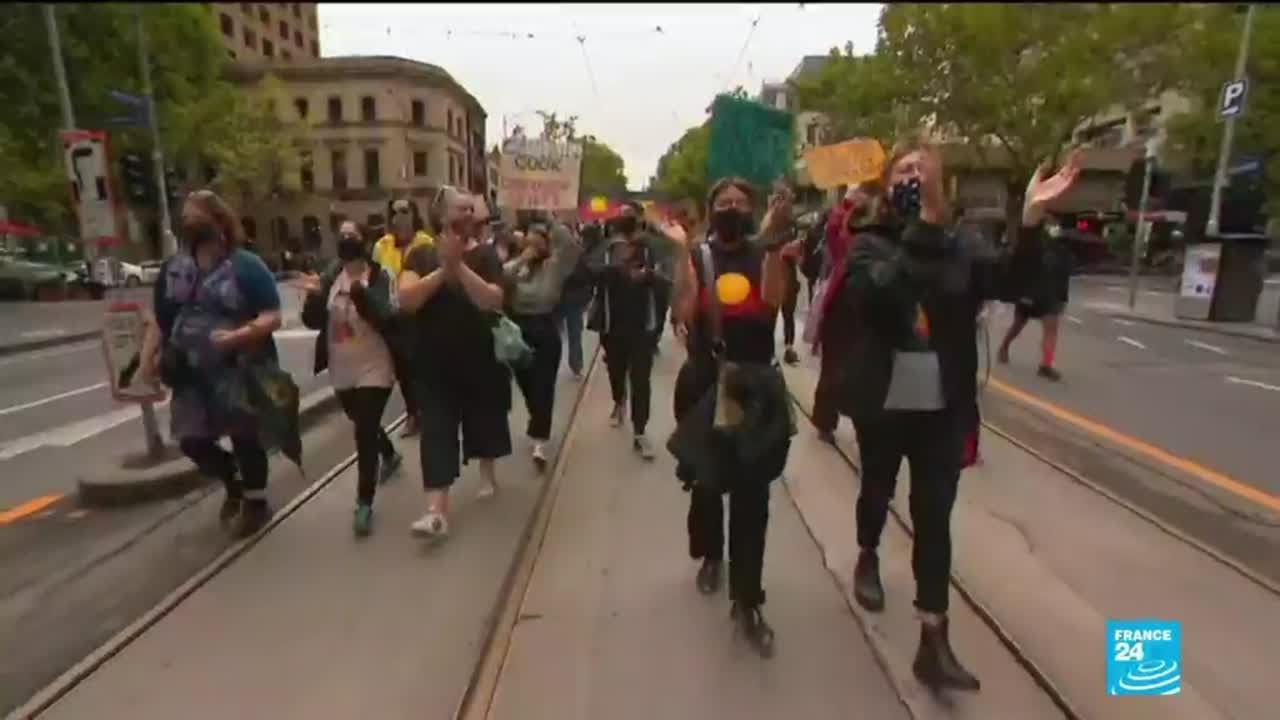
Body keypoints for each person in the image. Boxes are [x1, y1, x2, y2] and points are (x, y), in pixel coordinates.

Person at [840, 140, 1081, 691]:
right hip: (884, 395)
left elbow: (1015, 283)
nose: (915, 174)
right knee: (876, 486)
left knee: (934, 515)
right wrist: (917, 227)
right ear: (887, 183)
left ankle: (933, 637)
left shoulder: (963, 245)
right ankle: (868, 554)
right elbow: (877, 297)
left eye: (925, 168)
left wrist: (1030, 220)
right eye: (904, 168)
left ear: (942, 183)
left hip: (943, 404)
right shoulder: (871, 243)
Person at [667, 177, 795, 658]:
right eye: (724, 202)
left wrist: (774, 244)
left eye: (741, 202)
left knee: (751, 496)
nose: (732, 209)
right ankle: (710, 554)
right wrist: (681, 255)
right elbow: (681, 311)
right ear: (710, 209)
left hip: (754, 389)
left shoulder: (766, 252)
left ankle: (747, 599)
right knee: (704, 483)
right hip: (704, 384)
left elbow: (775, 303)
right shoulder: (697, 256)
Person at [139, 189, 286, 538]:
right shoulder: (175, 270)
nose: (189, 220)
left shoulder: (245, 265)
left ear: (218, 219)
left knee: (245, 436)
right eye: (185, 214)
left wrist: (239, 336)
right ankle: (231, 477)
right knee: (190, 438)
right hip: (189, 372)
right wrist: (148, 359)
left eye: (197, 214)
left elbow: (273, 315)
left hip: (238, 368)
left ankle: (255, 502)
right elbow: (161, 319)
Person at [397, 187, 510, 539]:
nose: (468, 213)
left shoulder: (487, 255)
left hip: (479, 360)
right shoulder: (419, 256)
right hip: (434, 365)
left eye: (470, 209)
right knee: (437, 433)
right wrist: (443, 270)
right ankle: (436, 511)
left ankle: (488, 473)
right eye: (460, 207)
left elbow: (493, 299)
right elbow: (407, 300)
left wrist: (458, 266)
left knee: (484, 422)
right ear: (441, 214)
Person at [300, 220, 403, 537]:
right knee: (361, 422)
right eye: (341, 235)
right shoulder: (331, 276)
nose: (346, 241)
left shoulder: (380, 276)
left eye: (352, 236)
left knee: (364, 431)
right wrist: (315, 298)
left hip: (375, 365)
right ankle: (389, 453)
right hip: (341, 367)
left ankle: (364, 503)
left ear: (363, 241)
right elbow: (313, 321)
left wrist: (360, 293)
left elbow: (385, 315)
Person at [807, 181, 882, 444]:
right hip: (842, 299)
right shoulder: (840, 216)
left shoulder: (882, 216)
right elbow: (837, 240)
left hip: (873, 299)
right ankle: (825, 420)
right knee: (833, 364)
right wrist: (850, 205)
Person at [504, 220, 583, 469]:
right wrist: (523, 260)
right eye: (530, 241)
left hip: (545, 327)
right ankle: (535, 419)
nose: (535, 246)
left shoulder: (555, 267)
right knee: (527, 384)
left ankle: (540, 441)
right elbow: (502, 280)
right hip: (518, 330)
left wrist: (554, 221)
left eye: (540, 241)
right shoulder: (515, 266)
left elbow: (571, 248)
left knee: (544, 386)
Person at [587, 204, 664, 460]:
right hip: (612, 324)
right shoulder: (607, 249)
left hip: (643, 325)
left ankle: (640, 431)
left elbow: (665, 277)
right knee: (616, 370)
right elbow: (588, 271)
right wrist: (617, 269)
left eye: (632, 216)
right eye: (623, 216)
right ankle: (618, 401)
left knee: (641, 379)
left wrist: (647, 275)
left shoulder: (649, 248)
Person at [372, 198, 435, 438]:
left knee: (421, 366)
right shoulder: (381, 246)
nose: (399, 216)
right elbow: (375, 278)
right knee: (403, 370)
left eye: (404, 211)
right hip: (392, 317)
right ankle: (412, 414)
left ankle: (428, 411)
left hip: (419, 315)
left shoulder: (425, 243)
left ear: (413, 214)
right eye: (395, 212)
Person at [996, 221, 1071, 381]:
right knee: (1020, 325)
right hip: (1033, 294)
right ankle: (1005, 346)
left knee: (1048, 329)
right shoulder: (1029, 247)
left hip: (1046, 296)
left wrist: (1062, 297)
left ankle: (1046, 364)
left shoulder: (1056, 250)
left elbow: (1063, 276)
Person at [555, 221, 603, 380]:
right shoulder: (579, 253)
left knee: (561, 332)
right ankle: (576, 366)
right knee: (574, 332)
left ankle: (572, 365)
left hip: (565, 298)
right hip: (573, 299)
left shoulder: (556, 255)